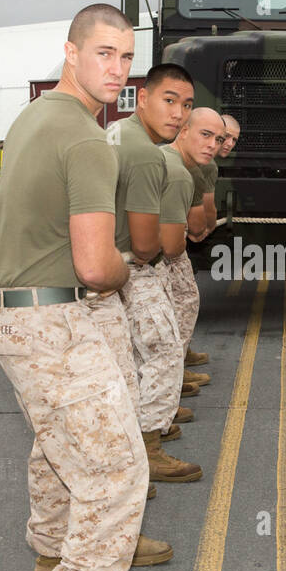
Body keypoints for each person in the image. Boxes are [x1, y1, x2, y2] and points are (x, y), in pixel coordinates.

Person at [0, 3, 163, 571]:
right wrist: (125, 265)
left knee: (57, 448)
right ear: (72, 52)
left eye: (125, 57)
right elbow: (94, 264)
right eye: (104, 54)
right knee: (116, 468)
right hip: (49, 318)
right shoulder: (87, 138)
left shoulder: (36, 116)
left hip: (14, 312)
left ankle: (50, 566)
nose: (117, 69)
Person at [115, 64, 203, 483]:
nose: (178, 114)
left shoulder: (114, 133)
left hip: (99, 263)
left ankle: (134, 441)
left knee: (128, 358)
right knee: (164, 350)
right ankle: (148, 446)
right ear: (143, 97)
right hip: (130, 266)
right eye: (169, 101)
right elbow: (150, 246)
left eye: (186, 105)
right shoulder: (148, 155)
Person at [162, 107, 222, 395]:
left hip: (156, 256)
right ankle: (162, 399)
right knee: (172, 314)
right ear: (183, 131)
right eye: (206, 135)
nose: (213, 145)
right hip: (151, 260)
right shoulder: (177, 170)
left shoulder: (183, 166)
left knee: (181, 305)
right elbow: (173, 245)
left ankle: (172, 376)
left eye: (218, 139)